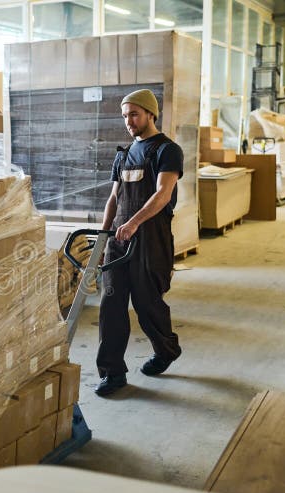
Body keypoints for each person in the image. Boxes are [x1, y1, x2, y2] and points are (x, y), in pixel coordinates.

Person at [94, 89, 183, 397]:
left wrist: (134, 223)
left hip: (150, 240)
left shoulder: (166, 151)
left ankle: (166, 349)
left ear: (150, 114)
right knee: (111, 305)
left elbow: (163, 194)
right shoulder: (123, 155)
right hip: (119, 240)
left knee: (147, 304)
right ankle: (113, 373)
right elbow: (114, 198)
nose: (128, 122)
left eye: (133, 114)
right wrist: (102, 238)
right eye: (124, 116)